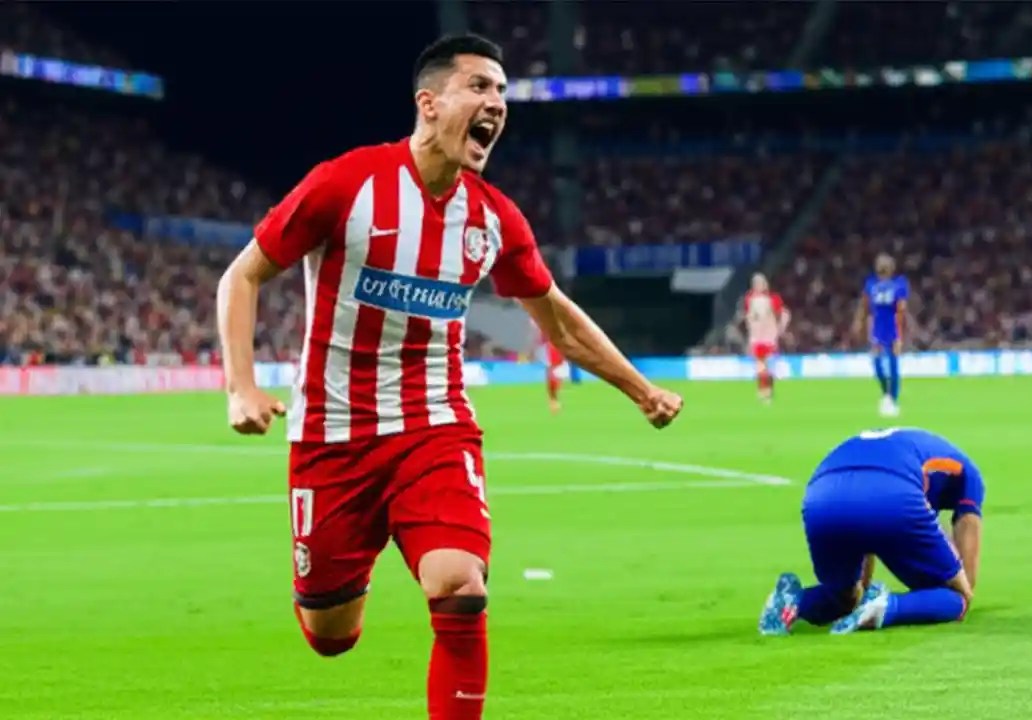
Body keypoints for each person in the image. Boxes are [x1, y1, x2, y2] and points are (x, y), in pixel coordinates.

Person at [215, 34, 683, 720]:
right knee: (329, 637)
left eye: (501, 92)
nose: (496, 103)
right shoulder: (347, 184)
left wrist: (640, 389)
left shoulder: (493, 217)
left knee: (460, 585)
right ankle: (344, 574)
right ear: (429, 104)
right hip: (332, 437)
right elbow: (243, 274)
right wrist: (241, 385)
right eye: (481, 87)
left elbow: (557, 319)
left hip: (435, 430)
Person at [759, 427, 983, 635]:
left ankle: (793, 603)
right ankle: (886, 606)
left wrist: (861, 589)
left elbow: (867, 525)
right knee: (958, 597)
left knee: (845, 597)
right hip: (894, 494)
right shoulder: (969, 475)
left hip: (821, 495)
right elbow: (968, 530)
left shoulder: (912, 450)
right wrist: (961, 586)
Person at [853, 253, 908, 417]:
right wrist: (859, 321)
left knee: (893, 364)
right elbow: (864, 305)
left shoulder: (899, 285)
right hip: (877, 327)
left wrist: (899, 335)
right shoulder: (871, 284)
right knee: (876, 363)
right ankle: (885, 393)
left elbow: (900, 311)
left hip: (891, 327)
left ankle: (892, 399)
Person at [741, 272, 789, 404]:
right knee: (760, 366)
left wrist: (779, 329)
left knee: (767, 366)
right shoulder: (750, 299)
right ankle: (764, 392)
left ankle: (767, 391)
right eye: (755, 284)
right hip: (758, 339)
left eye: (759, 283)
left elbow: (784, 314)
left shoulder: (772, 298)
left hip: (768, 337)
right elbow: (749, 319)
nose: (757, 286)